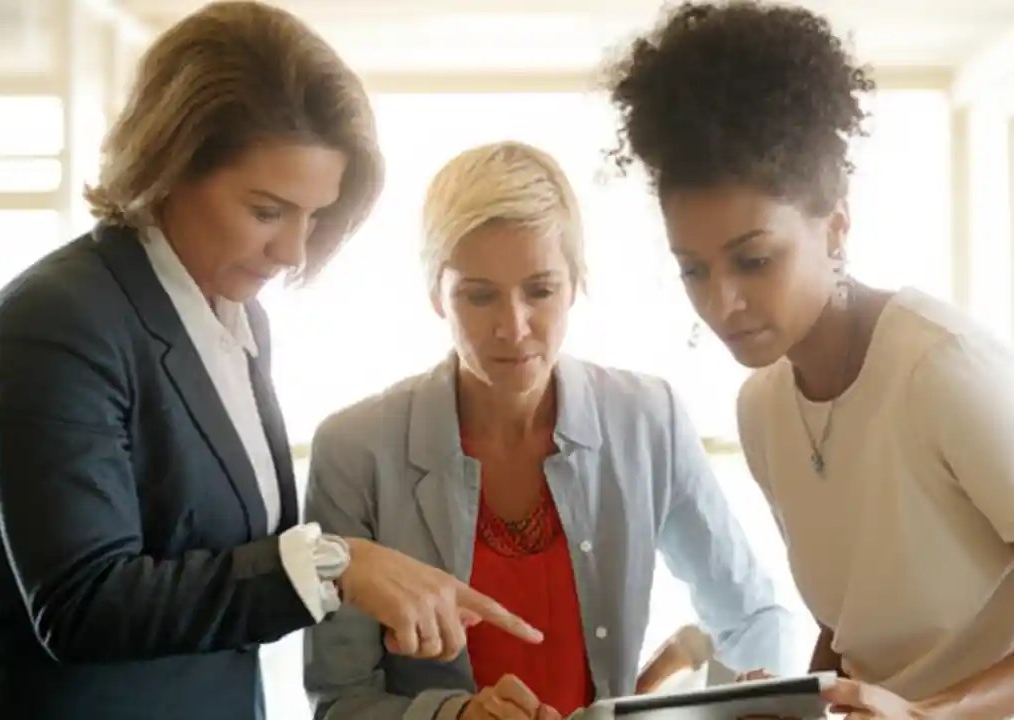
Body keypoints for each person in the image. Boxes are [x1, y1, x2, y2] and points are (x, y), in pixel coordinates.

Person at [0, 4, 536, 720]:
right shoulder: (56, 322)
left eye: (314, 216)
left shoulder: (236, 316)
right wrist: (336, 564)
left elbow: (224, 572)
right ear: (171, 164)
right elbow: (84, 603)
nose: (293, 251)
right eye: (266, 211)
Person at [604, 2, 1014, 718]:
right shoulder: (763, 406)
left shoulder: (943, 369)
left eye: (754, 260)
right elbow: (852, 629)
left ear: (835, 225)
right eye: (693, 269)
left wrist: (930, 714)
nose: (722, 302)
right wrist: (792, 704)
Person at [302, 141, 794, 720]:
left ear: (576, 282)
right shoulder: (354, 451)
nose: (514, 327)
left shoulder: (647, 419)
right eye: (479, 295)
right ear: (436, 293)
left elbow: (751, 616)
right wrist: (453, 716)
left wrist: (747, 703)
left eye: (540, 290)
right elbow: (340, 701)